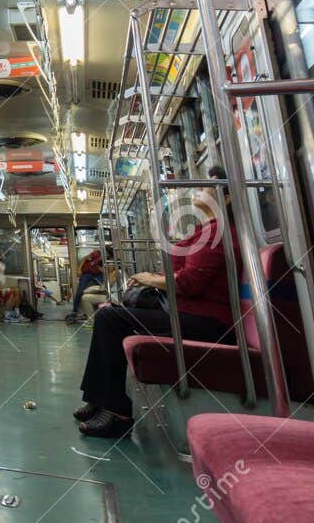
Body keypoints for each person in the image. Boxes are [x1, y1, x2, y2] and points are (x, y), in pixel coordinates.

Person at [75, 175, 238, 438]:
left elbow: (190, 283)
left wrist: (150, 279)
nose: (197, 191)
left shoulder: (216, 233)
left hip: (207, 321)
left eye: (206, 186)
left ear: (226, 196)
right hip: (184, 310)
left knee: (110, 320)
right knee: (108, 312)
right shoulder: (203, 230)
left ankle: (118, 413)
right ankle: (97, 397)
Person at [66, 247, 107, 324]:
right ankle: (74, 311)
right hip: (88, 273)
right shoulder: (95, 254)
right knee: (80, 291)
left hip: (98, 274)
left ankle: (99, 306)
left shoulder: (108, 259)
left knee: (104, 289)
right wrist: (79, 269)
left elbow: (104, 270)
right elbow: (84, 259)